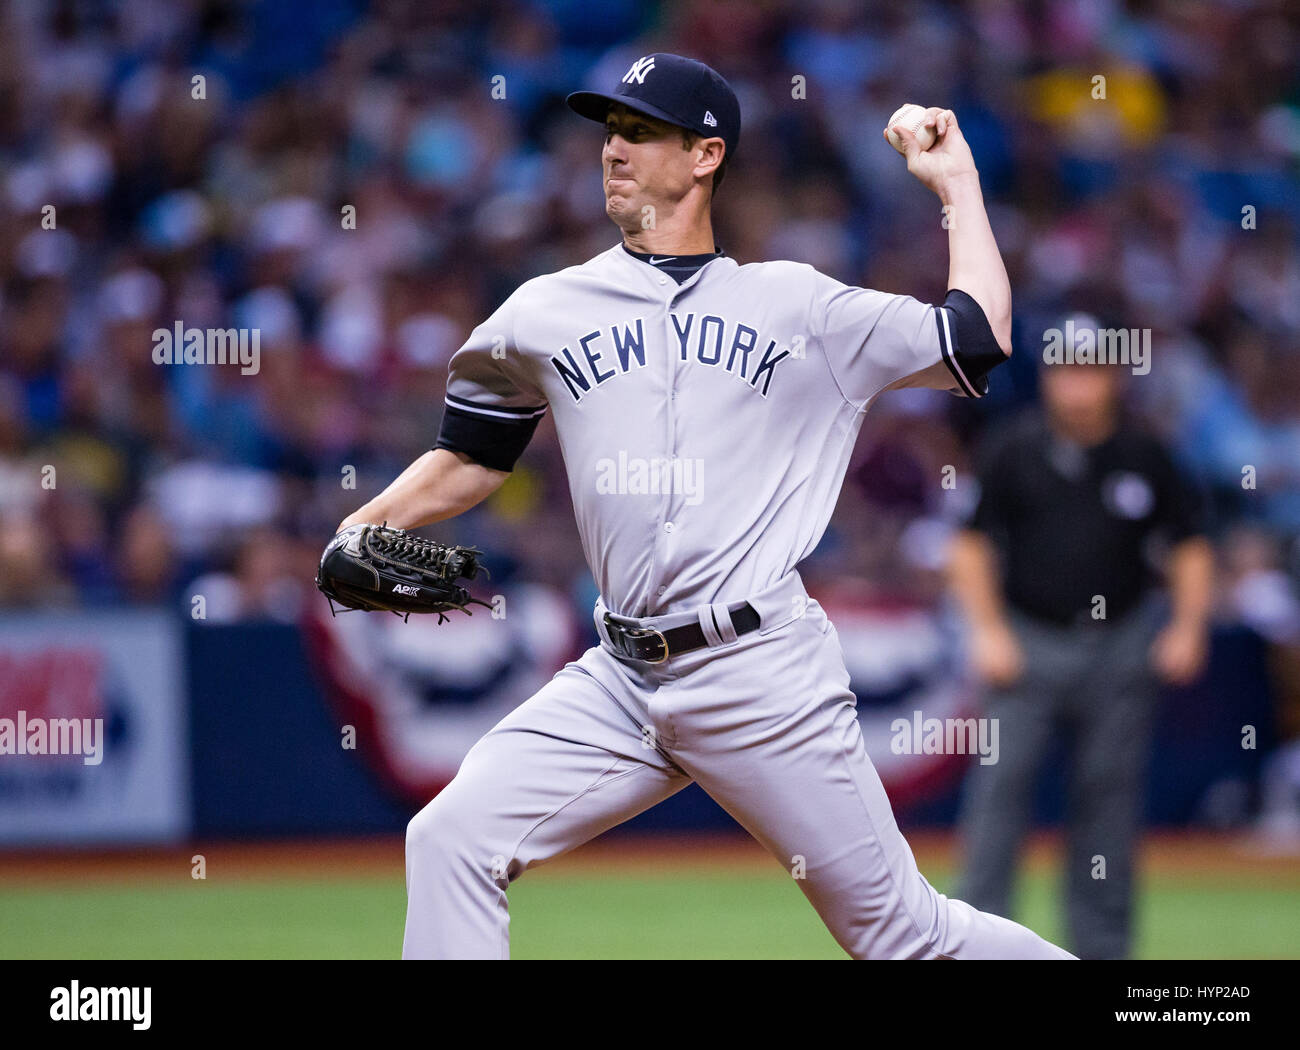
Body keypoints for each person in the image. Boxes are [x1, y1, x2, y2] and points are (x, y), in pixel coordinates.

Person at [335, 52, 1073, 959]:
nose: (613, 149)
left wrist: (956, 182)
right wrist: (366, 526)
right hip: (619, 675)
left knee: (901, 936)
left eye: (641, 131)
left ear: (705, 156)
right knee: (448, 839)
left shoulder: (796, 304)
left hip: (759, 671)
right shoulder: (543, 312)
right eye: (610, 130)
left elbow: (977, 339)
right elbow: (471, 454)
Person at [949, 352, 1213, 959]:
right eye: (1066, 370)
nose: (1077, 385)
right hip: (1028, 642)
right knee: (998, 796)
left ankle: (1103, 950)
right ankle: (978, 947)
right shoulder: (1012, 447)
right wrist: (987, 630)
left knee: (1109, 803)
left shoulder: (1146, 455)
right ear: (1047, 379)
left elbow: (1189, 546)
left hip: (1119, 646)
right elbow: (969, 546)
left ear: (1114, 378)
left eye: (1091, 370)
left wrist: (1188, 626)